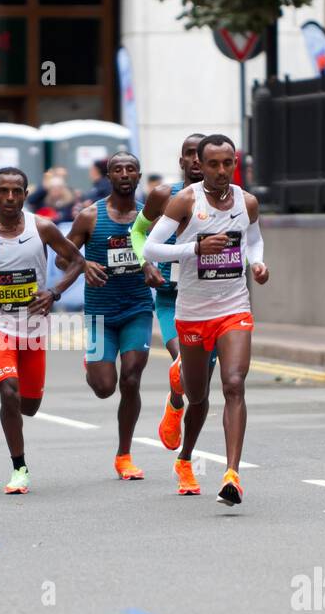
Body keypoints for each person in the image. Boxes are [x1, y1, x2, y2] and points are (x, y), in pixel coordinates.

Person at [142, 134, 268, 505]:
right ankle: (180, 388)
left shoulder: (247, 202)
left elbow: (254, 240)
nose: (220, 171)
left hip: (234, 309)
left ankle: (232, 475)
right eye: (212, 164)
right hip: (193, 313)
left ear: (235, 163)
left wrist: (257, 263)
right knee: (197, 396)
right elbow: (151, 246)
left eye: (227, 163)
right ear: (200, 163)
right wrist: (193, 248)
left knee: (233, 384)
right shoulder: (185, 200)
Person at [0, 166, 84, 494]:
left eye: (17, 192)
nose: (10, 197)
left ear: (25, 195)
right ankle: (19, 468)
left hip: (35, 327)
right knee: (8, 392)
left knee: (29, 405)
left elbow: (77, 261)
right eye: (4, 191)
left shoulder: (43, 228)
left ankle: (20, 416)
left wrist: (54, 292)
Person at [62, 151, 153, 480]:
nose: (125, 174)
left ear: (138, 176)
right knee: (104, 387)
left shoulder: (149, 217)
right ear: (109, 177)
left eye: (131, 169)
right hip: (101, 312)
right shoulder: (90, 216)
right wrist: (83, 264)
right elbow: (63, 259)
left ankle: (124, 455)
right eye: (118, 169)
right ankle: (92, 363)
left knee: (131, 378)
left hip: (137, 308)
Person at [132, 132, 209, 450]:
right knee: (184, 362)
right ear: (181, 161)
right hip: (171, 299)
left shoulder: (229, 199)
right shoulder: (164, 195)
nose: (195, 159)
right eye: (189, 153)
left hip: (211, 301)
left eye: (199, 154)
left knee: (199, 387)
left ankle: (177, 409)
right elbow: (138, 232)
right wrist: (145, 264)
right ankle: (178, 412)